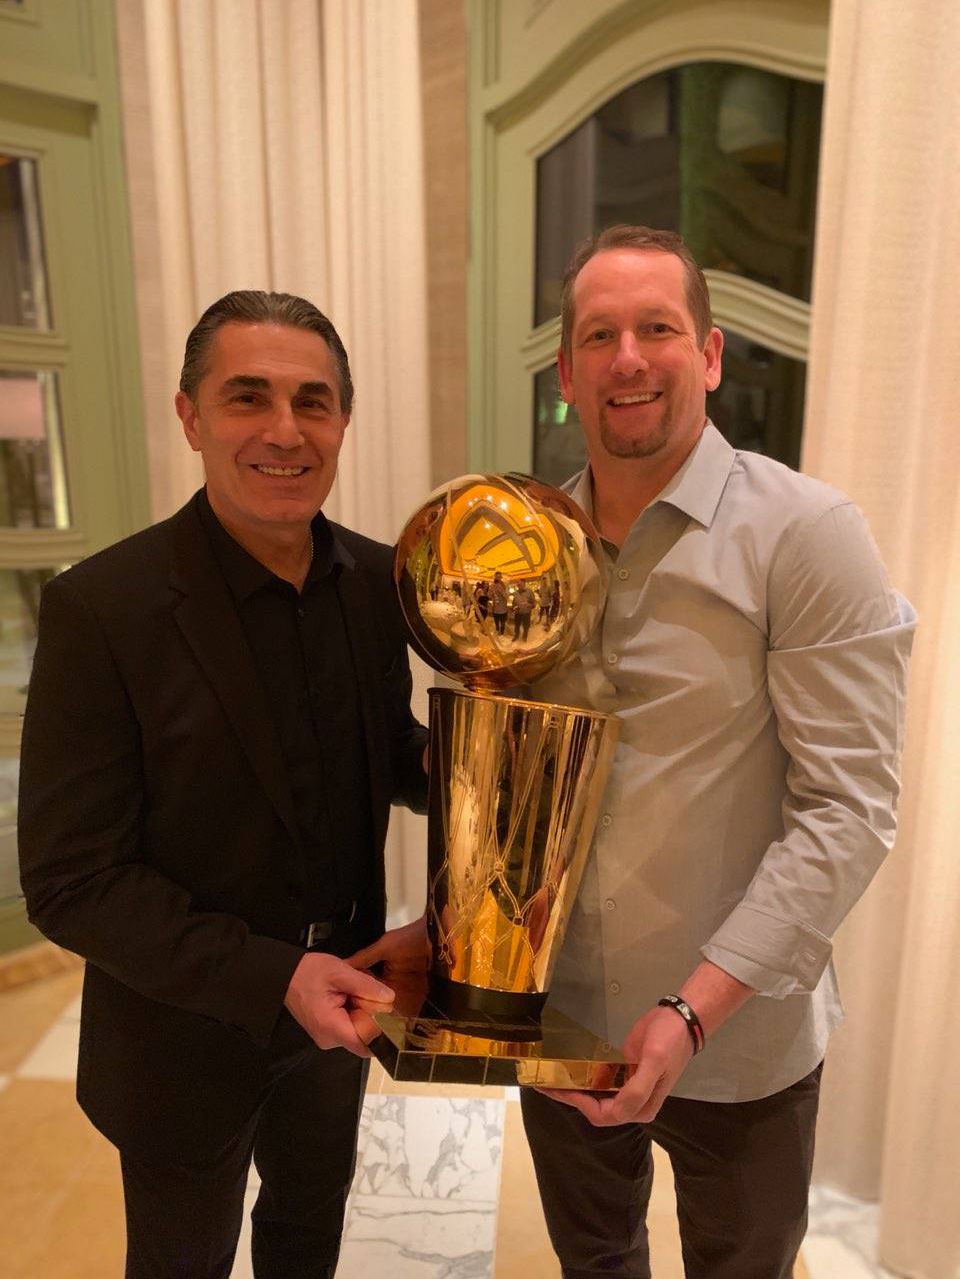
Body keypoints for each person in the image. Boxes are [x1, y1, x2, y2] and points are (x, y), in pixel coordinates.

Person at [517, 226, 916, 1279]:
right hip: (563, 1018)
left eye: (659, 327)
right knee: (595, 1259)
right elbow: (515, 775)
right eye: (599, 334)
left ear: (711, 353)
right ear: (566, 372)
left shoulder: (808, 533)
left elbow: (849, 807)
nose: (629, 358)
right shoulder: (530, 540)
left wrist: (693, 1008)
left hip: (737, 1041)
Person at [17, 291, 428, 1279]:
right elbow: (72, 878)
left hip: (344, 1012)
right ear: (191, 417)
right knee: (181, 1260)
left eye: (313, 401)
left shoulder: (383, 583)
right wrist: (272, 973)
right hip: (180, 1043)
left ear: (342, 421)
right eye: (249, 397)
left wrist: (506, 794)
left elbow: (393, 753)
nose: (286, 431)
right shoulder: (102, 608)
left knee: (306, 1237)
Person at [490, 570, 509, 634]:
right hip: (495, 610)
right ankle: (498, 633)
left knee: (503, 624)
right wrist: (490, 591)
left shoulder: (505, 586)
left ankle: (502, 633)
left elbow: (507, 597)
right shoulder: (492, 585)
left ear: (501, 578)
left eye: (499, 577)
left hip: (503, 610)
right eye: (496, 577)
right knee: (496, 624)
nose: (497, 579)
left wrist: (502, 591)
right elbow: (489, 596)